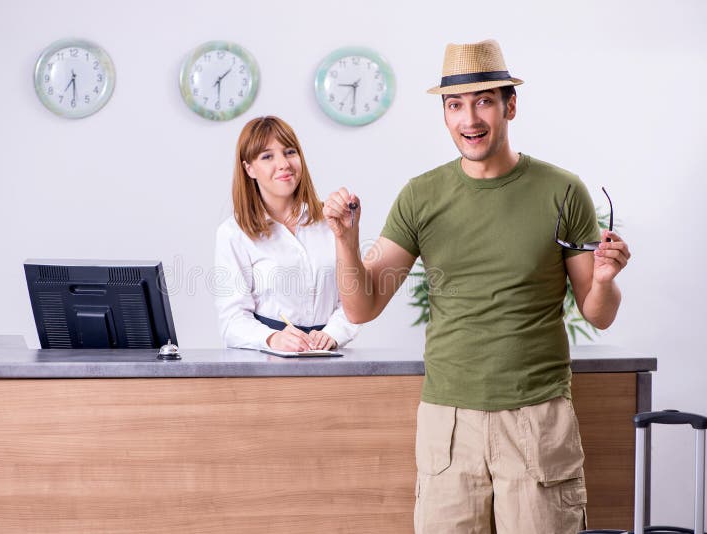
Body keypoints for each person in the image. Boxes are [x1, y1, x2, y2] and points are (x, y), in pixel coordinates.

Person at [323, 40, 631, 533]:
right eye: (455, 104)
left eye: (484, 100)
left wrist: (606, 278)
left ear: (511, 105)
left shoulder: (562, 191)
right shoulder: (421, 196)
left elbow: (598, 312)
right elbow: (361, 308)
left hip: (537, 419)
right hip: (449, 424)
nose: (470, 118)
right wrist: (345, 240)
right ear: (444, 114)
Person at [215, 115, 359, 351]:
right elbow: (232, 320)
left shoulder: (331, 221)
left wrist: (333, 333)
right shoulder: (233, 233)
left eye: (290, 152)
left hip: (328, 358)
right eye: (267, 156)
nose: (283, 164)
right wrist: (273, 339)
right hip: (266, 361)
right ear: (249, 168)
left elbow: (353, 297)